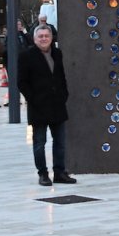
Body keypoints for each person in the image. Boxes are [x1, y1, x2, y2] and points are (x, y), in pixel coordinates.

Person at [17, 24, 76, 186]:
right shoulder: (26, 56)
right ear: (35, 39)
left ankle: (59, 172)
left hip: (57, 105)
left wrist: (64, 95)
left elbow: (61, 77)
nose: (44, 39)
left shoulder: (57, 53)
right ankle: (43, 174)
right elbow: (21, 82)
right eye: (40, 36)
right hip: (39, 107)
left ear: (51, 38)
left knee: (60, 142)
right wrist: (33, 99)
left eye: (46, 36)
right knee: (39, 143)